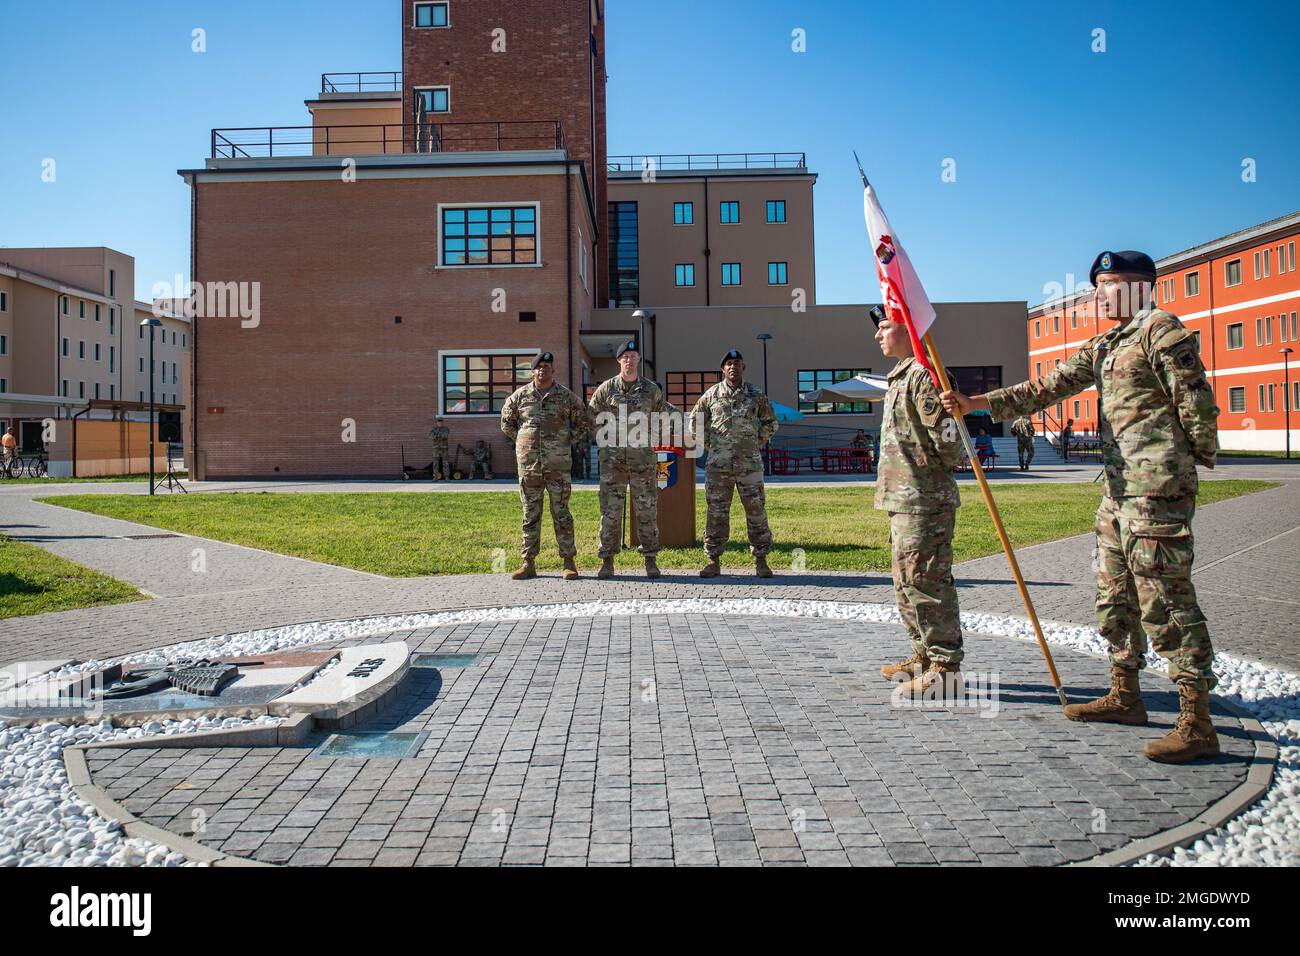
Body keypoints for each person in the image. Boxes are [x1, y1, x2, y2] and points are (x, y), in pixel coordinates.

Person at [941, 250, 1221, 763]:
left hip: (1155, 490)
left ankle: (1197, 721)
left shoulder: (1162, 330)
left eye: (1108, 285)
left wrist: (1191, 456)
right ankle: (1126, 694)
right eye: (1098, 286)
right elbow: (1046, 387)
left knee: (1166, 600)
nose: (1099, 295)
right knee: (1115, 597)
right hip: (1117, 492)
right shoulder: (1107, 343)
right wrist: (975, 404)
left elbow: (1195, 398)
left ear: (1138, 287)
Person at [872, 309, 966, 697]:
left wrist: (927, 476)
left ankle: (946, 667)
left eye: (884, 327)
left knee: (927, 581)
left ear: (908, 330)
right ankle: (924, 655)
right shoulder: (900, 377)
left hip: (925, 500)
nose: (878, 335)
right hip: (902, 499)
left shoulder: (926, 377)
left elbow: (950, 444)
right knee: (906, 583)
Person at [500, 352, 589, 580]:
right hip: (529, 467)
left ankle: (569, 562)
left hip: (558, 466)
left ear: (553, 370)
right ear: (532, 371)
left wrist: (565, 440)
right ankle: (528, 562)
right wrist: (523, 441)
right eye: (538, 367)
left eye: (547, 366)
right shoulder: (520, 397)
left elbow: (582, 422)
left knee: (562, 514)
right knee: (530, 514)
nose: (542, 370)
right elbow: (506, 423)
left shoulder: (565, 397)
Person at [691, 350, 779, 578]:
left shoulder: (755, 394)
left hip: (749, 466)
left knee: (756, 510)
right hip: (719, 466)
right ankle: (713, 560)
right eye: (728, 364)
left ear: (743, 367)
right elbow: (695, 420)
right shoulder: (712, 394)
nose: (733, 367)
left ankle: (761, 559)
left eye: (737, 363)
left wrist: (754, 442)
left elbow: (771, 422)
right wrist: (711, 444)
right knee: (717, 512)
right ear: (723, 369)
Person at [588, 341, 671, 579]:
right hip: (612, 464)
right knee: (610, 512)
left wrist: (649, 443)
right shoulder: (606, 389)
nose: (629, 360)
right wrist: (605, 442)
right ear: (618, 361)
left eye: (633, 356)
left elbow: (661, 418)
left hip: (642, 461)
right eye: (625, 356)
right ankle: (607, 561)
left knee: (646, 510)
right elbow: (592, 418)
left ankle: (650, 560)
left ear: (638, 360)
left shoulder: (651, 389)